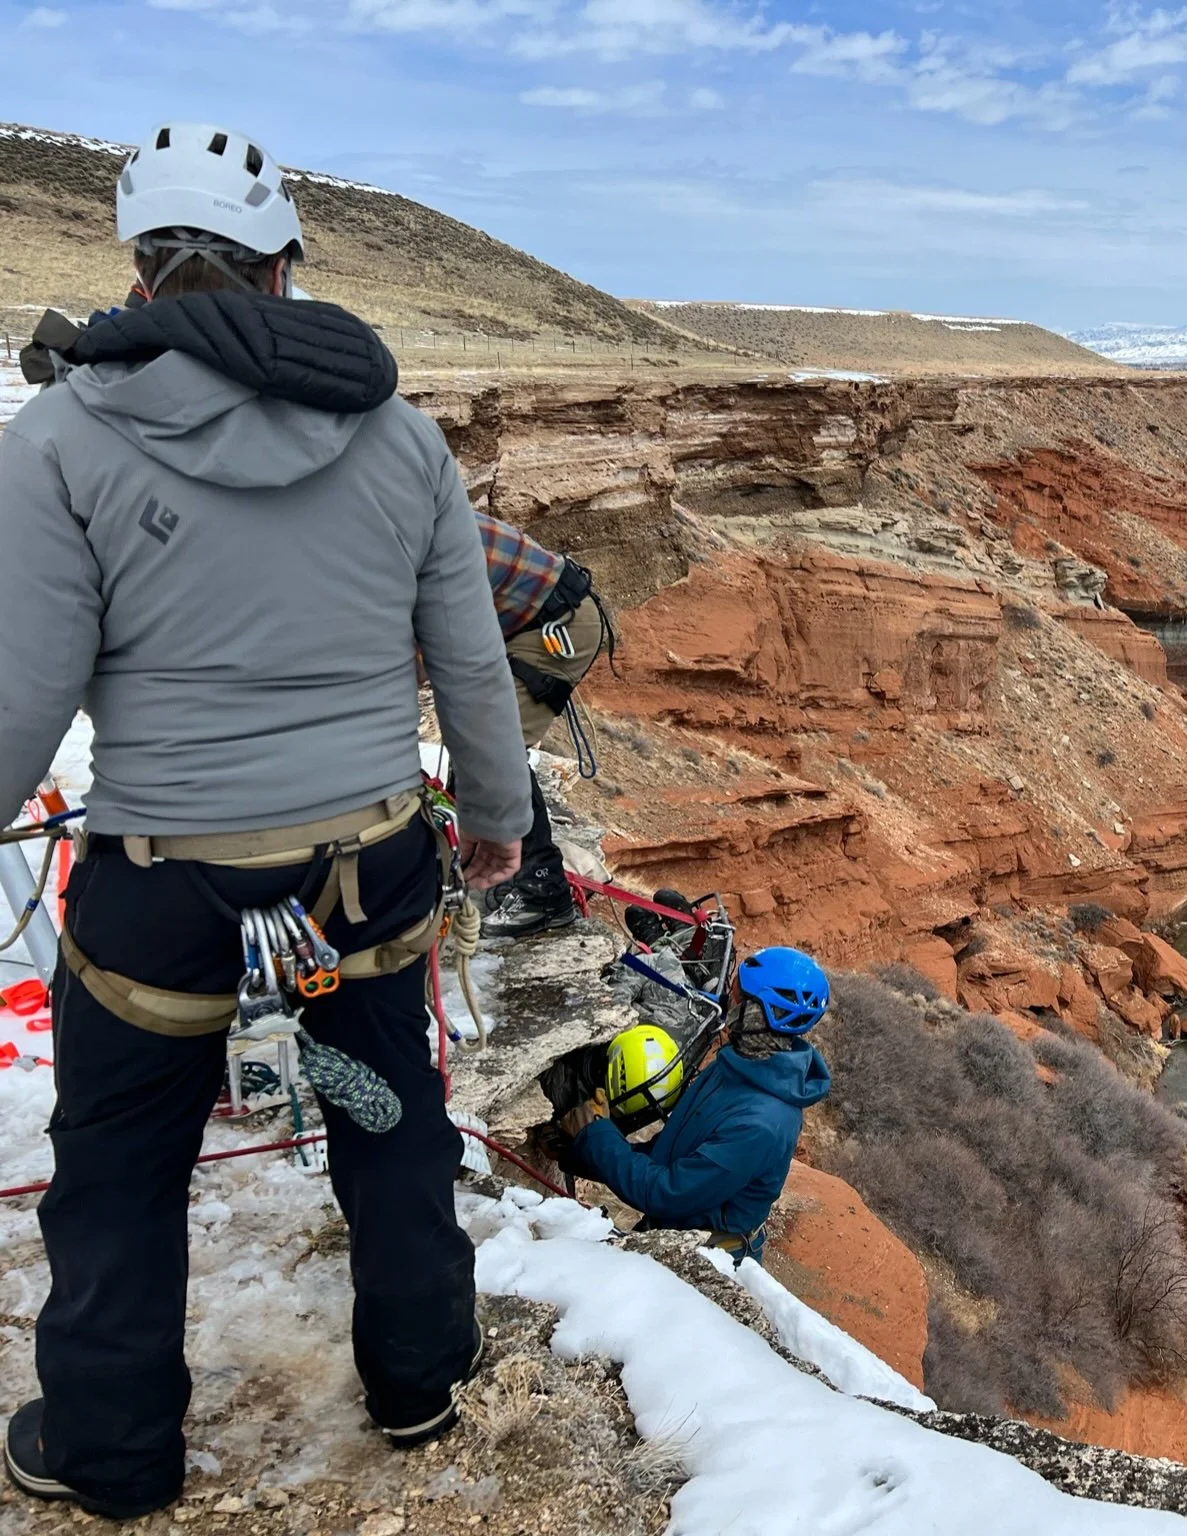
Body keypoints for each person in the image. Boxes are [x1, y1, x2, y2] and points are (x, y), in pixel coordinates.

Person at [0, 122, 531, 1519]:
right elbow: (471, 661)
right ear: (283, 266)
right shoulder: (401, 437)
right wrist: (494, 820)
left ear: (137, 267)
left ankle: (112, 1452)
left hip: (162, 884)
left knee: (119, 1164)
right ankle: (419, 1382)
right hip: (367, 866)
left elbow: (22, 693)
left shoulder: (58, 437)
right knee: (395, 1123)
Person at [559, 947, 833, 1257]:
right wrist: (577, 1152)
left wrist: (595, 1135)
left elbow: (667, 1192)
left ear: (757, 1013)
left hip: (704, 1259)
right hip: (676, 1233)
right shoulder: (736, 1066)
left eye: (737, 994)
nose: (727, 999)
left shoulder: (760, 1124)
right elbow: (671, 1152)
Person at [469, 513, 607, 941]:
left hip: (557, 624)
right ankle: (505, 881)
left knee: (491, 748)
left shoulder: (395, 545)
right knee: (476, 751)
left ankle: (542, 891)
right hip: (534, 617)